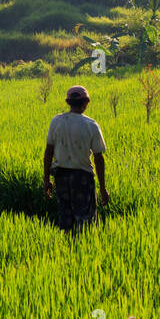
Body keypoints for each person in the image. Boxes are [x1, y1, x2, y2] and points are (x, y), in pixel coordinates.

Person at [43, 84, 109, 230]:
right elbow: (99, 159)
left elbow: (48, 153)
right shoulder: (91, 125)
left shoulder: (56, 121)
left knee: (66, 219)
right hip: (82, 179)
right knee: (85, 222)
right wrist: (103, 188)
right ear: (86, 103)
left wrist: (46, 180)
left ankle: (68, 249)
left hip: (60, 177)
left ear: (68, 102)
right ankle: (83, 248)